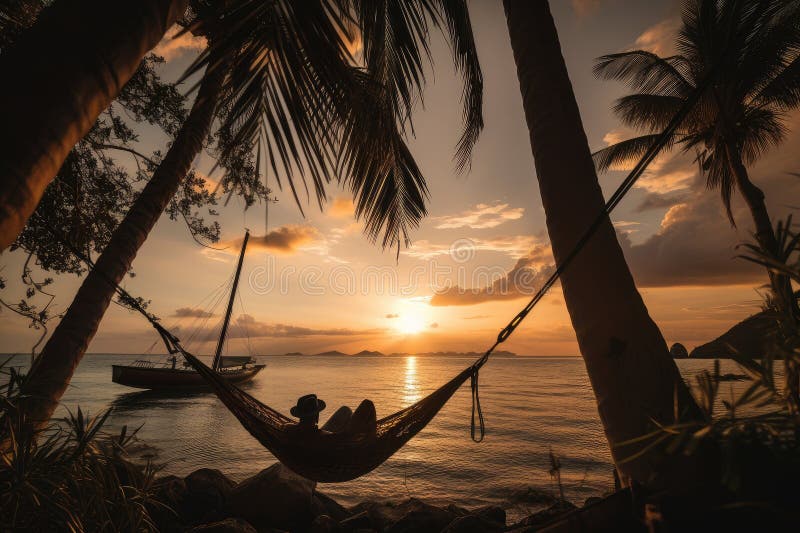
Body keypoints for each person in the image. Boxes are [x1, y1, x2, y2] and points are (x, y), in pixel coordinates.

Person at [289, 394, 377, 437]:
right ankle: (372, 438)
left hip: (309, 436)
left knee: (345, 410)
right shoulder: (323, 436)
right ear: (317, 417)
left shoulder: (288, 428)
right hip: (337, 440)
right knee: (367, 404)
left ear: (299, 415)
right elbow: (341, 438)